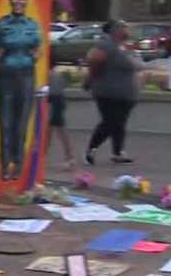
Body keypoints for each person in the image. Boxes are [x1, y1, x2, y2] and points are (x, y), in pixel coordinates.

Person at [0, 0, 42, 181]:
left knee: (21, 123)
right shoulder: (2, 24)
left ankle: (18, 164)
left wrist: (36, 55)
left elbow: (38, 48)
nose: (19, 1)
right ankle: (5, 165)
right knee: (5, 122)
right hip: (5, 76)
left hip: (26, 75)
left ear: (27, 0)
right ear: (10, 0)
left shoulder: (32, 25)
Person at [83, 19, 142, 165]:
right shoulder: (105, 45)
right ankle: (91, 149)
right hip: (108, 92)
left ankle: (118, 152)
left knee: (120, 123)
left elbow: (135, 66)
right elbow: (94, 62)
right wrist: (89, 81)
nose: (127, 30)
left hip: (126, 95)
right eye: (124, 28)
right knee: (110, 122)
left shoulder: (124, 46)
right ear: (115, 30)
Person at [47, 56, 75, 167]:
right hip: (58, 101)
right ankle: (69, 156)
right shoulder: (56, 75)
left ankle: (69, 157)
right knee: (58, 130)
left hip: (53, 102)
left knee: (53, 130)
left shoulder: (49, 75)